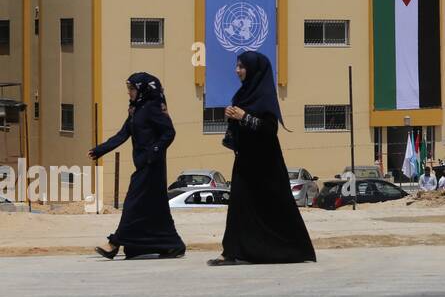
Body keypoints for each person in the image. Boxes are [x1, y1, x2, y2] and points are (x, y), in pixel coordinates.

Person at [210, 51, 317, 266]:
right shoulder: (242, 95)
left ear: (254, 70)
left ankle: (293, 250)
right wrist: (233, 118)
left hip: (267, 165)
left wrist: (244, 117)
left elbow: (269, 129)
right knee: (240, 206)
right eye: (237, 66)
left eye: (241, 66)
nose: (237, 70)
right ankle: (231, 252)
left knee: (275, 206)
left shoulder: (265, 96)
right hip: (246, 162)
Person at [88, 73, 186, 260]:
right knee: (156, 209)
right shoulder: (136, 109)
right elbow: (123, 134)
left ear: (143, 89)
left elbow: (169, 132)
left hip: (152, 166)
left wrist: (153, 151)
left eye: (132, 89)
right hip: (142, 164)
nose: (129, 93)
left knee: (132, 205)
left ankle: (114, 243)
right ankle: (172, 244)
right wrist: (100, 150)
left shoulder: (153, 107)